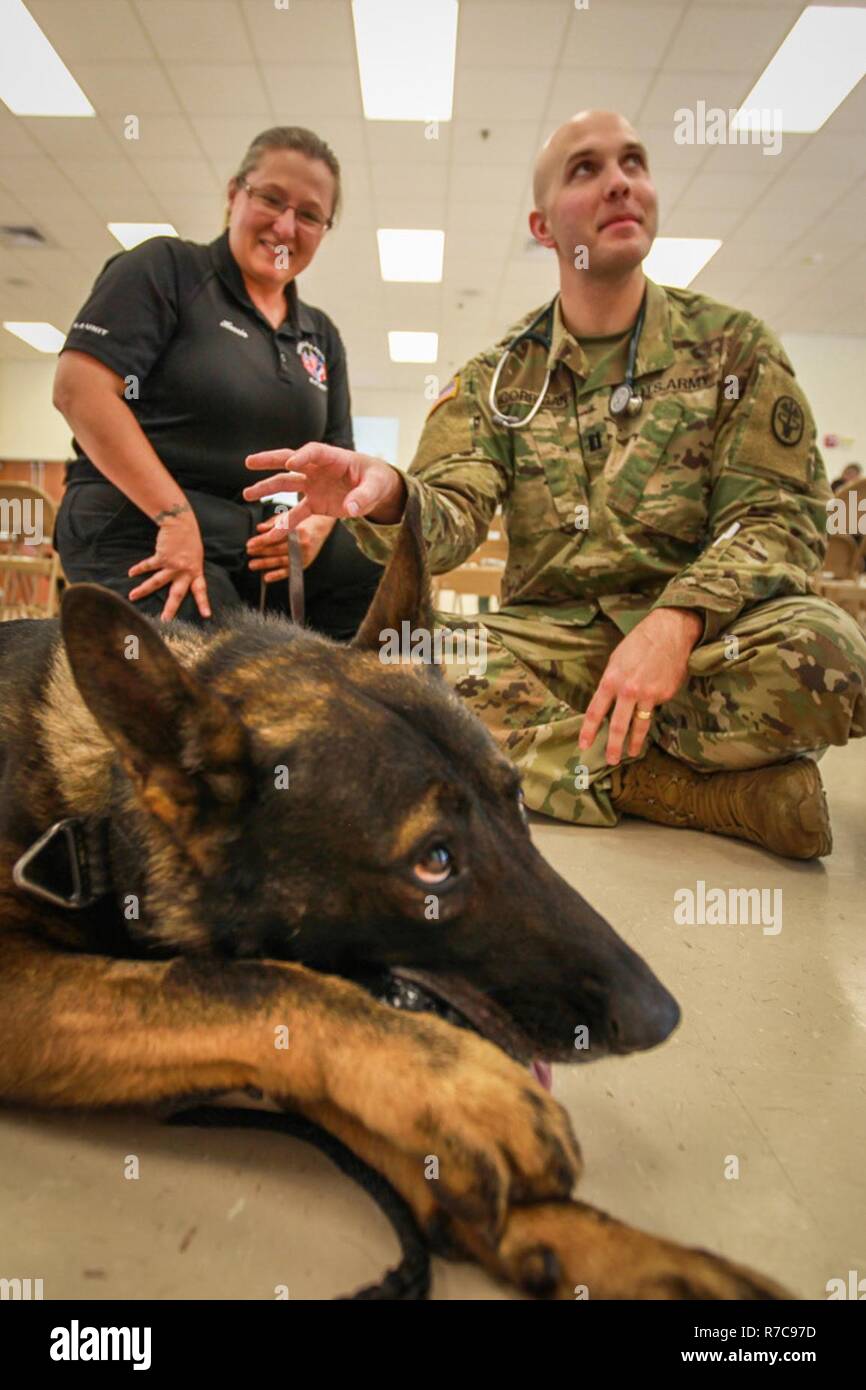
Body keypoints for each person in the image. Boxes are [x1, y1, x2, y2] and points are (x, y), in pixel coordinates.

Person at [243, 110, 866, 860]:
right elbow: (453, 512)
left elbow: (779, 517)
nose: (619, 183)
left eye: (633, 163)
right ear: (544, 227)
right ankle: (689, 790)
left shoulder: (733, 348)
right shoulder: (501, 377)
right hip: (547, 648)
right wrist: (392, 493)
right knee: (389, 674)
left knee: (829, 654)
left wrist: (678, 621)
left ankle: (553, 763)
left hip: (703, 642)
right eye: (587, 169)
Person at [52, 125, 382, 640]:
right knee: (224, 658)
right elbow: (79, 390)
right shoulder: (167, 269)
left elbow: (336, 457)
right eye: (271, 198)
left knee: (383, 584)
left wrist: (317, 523)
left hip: (257, 537)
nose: (286, 225)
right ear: (234, 195)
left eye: (310, 215)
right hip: (139, 517)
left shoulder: (320, 334)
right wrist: (173, 515)